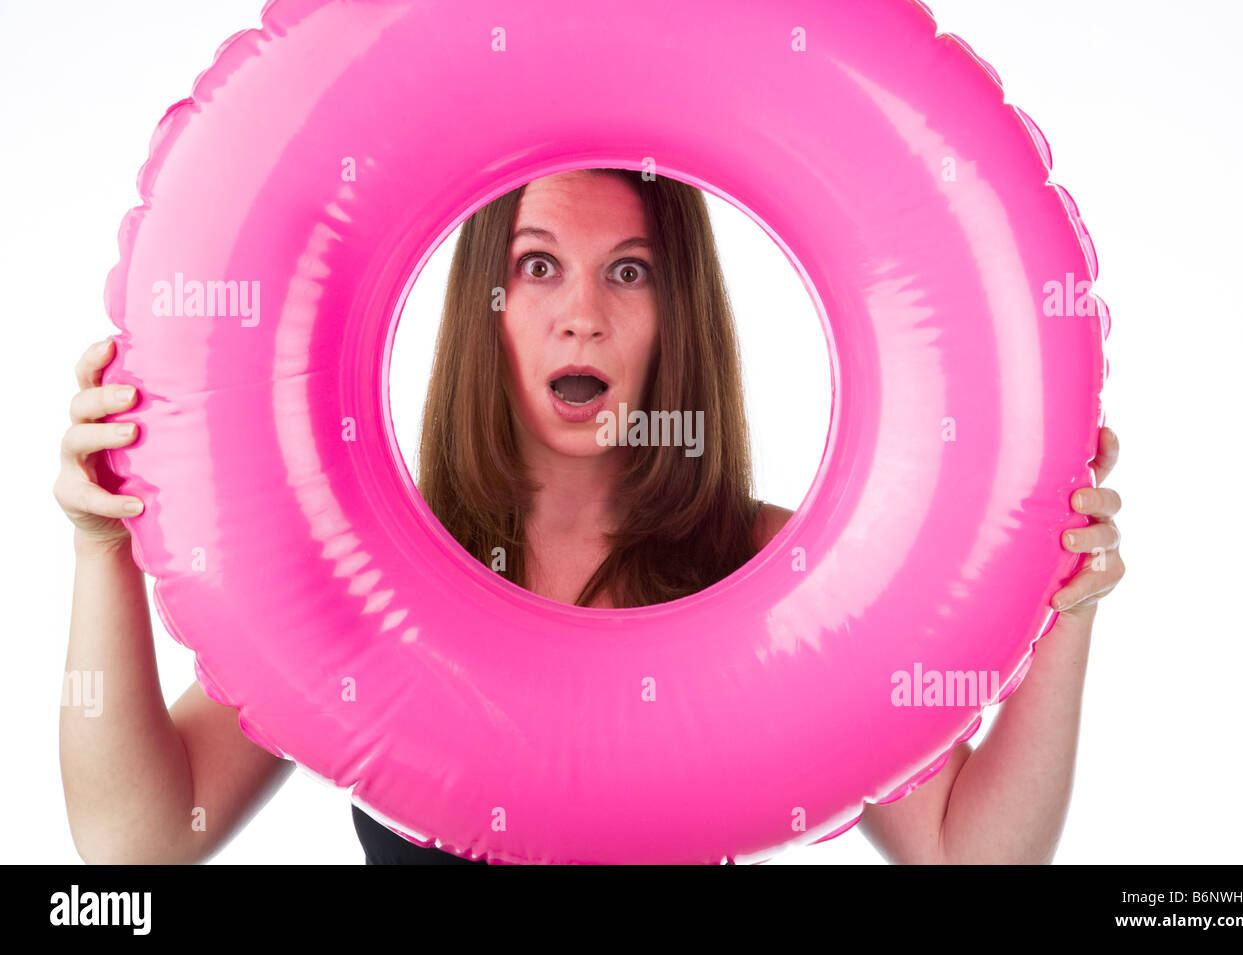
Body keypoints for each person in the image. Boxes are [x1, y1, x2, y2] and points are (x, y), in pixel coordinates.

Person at [55, 168, 1124, 865]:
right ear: (489, 304)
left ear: (677, 310)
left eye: (629, 271)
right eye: (536, 266)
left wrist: (1064, 615)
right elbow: (134, 841)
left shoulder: (772, 565)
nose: (582, 312)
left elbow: (965, 858)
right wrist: (100, 546)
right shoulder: (370, 564)